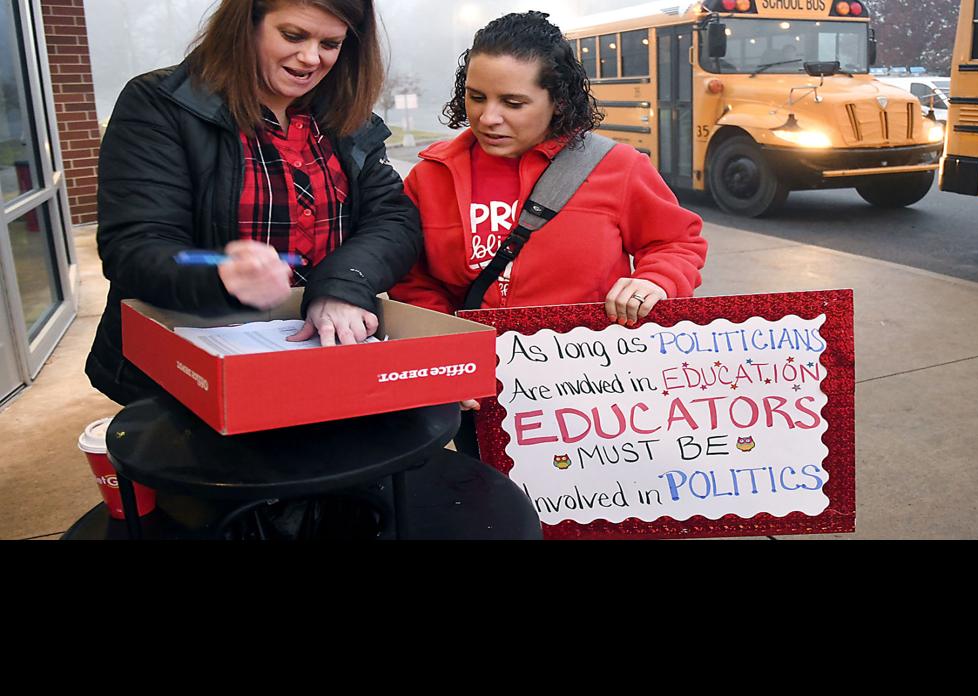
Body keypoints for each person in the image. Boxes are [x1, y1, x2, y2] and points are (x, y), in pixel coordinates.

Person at [388, 11, 707, 455]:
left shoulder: (617, 167)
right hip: (473, 395)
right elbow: (412, 276)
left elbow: (677, 241)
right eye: (476, 97)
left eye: (513, 103)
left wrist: (655, 280)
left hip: (589, 389)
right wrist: (444, 346)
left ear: (557, 100)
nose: (488, 118)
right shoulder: (430, 175)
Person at [86, 0, 422, 406]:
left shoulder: (346, 117)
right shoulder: (161, 105)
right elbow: (135, 247)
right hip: (192, 374)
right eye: (293, 36)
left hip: (323, 361)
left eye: (330, 44)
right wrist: (220, 277)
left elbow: (392, 218)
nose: (311, 58)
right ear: (246, 25)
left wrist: (343, 285)